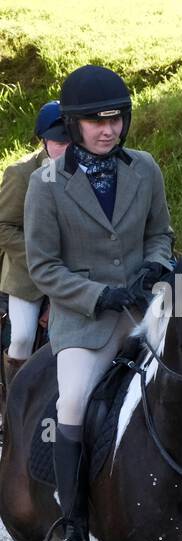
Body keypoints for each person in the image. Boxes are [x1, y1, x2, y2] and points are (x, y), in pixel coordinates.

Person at [23, 65, 175, 541]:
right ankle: (72, 524)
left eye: (114, 119)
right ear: (74, 125)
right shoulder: (45, 185)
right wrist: (102, 294)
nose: (107, 129)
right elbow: (44, 267)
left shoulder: (146, 168)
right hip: (85, 322)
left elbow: (161, 233)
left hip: (147, 311)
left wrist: (156, 264)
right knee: (73, 401)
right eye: (95, 122)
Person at [0, 101, 69, 427]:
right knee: (24, 337)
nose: (65, 148)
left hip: (72, 272)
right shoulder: (21, 173)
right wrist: (43, 261)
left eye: (71, 140)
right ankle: (14, 409)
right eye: (58, 141)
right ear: (43, 140)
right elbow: (3, 227)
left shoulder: (84, 171)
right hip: (27, 272)